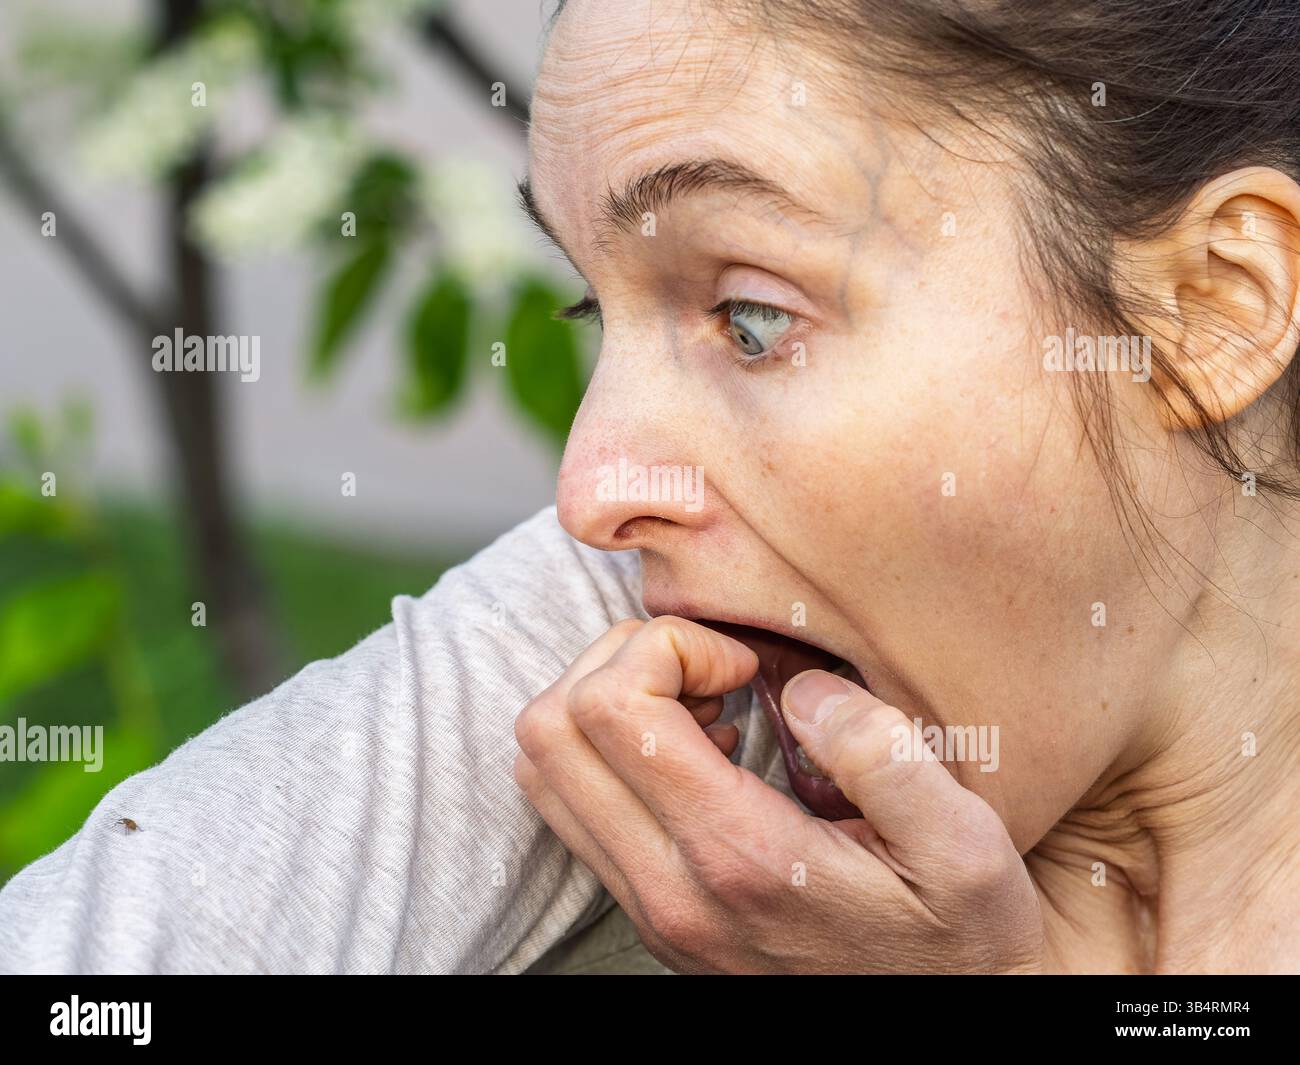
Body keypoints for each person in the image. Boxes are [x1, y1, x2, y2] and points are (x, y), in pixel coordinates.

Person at [6, 0, 1300, 973]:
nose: (590, 488)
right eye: (593, 301)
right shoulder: (626, 635)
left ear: (1210, 312)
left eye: (747, 317)